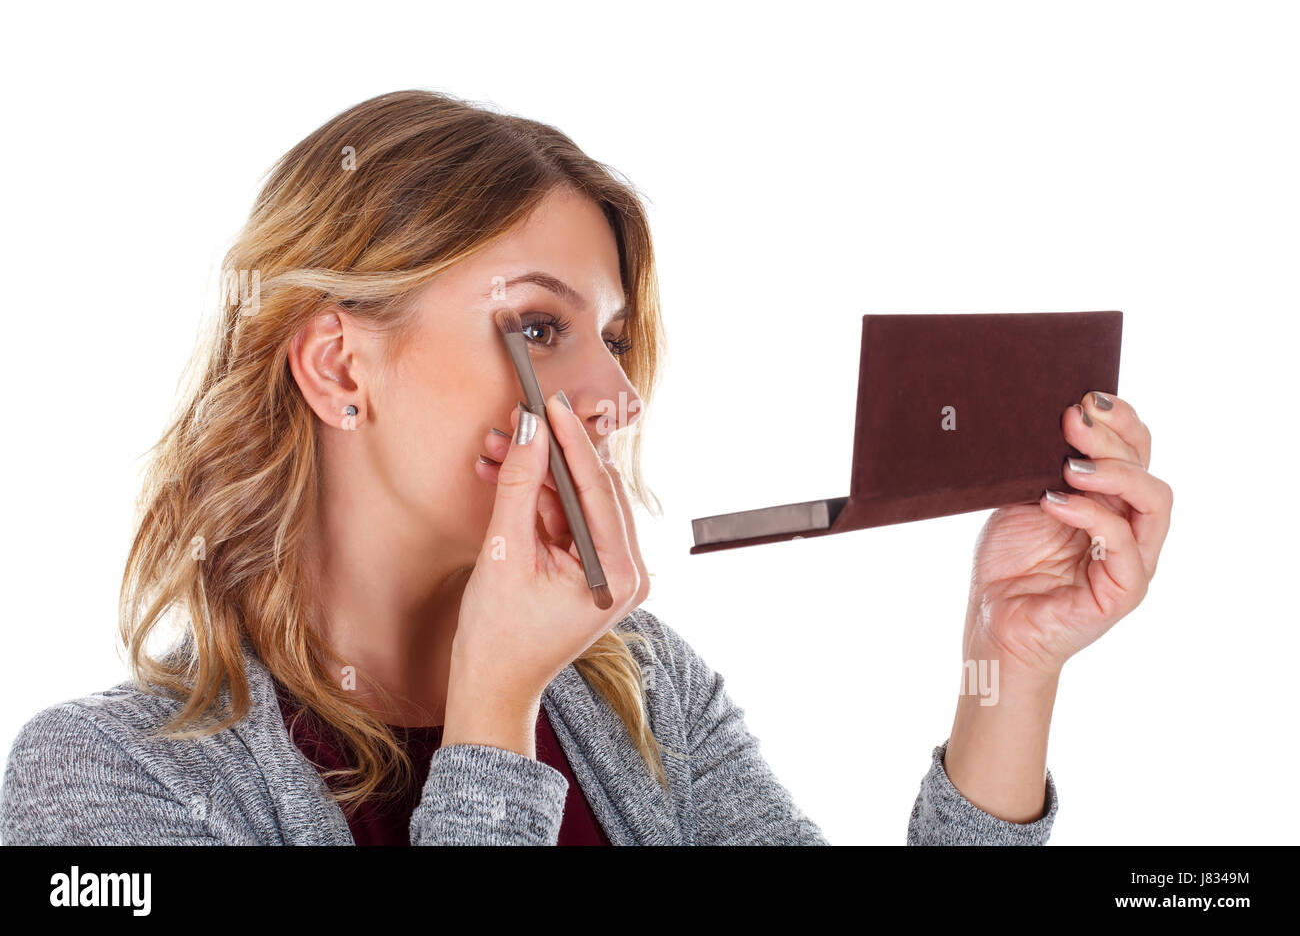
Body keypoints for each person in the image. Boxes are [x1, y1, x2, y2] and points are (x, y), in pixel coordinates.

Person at [0, 90, 1172, 845]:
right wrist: (493, 711)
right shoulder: (108, 783)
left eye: (609, 340)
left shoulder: (641, 690)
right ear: (336, 366)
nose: (614, 397)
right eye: (540, 327)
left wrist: (1002, 670)